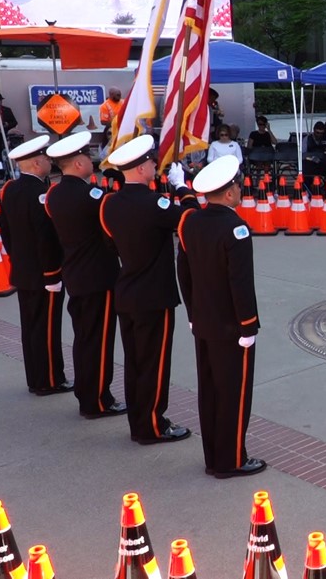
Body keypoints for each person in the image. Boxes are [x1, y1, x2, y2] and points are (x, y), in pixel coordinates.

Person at [100, 136, 196, 445]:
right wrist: (182, 188)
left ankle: (138, 421)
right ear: (142, 169)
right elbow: (191, 220)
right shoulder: (156, 204)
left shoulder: (109, 204)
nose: (156, 165)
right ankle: (153, 424)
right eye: (152, 162)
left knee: (135, 362)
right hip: (154, 296)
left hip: (126, 291)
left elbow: (110, 244)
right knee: (154, 363)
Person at [177, 156, 266, 479]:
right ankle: (231, 460)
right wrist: (248, 324)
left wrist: (191, 313)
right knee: (234, 393)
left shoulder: (189, 222)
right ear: (228, 193)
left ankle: (213, 456)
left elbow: (183, 273)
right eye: (237, 186)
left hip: (203, 322)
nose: (240, 190)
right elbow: (240, 282)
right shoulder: (236, 228)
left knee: (211, 391)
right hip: (231, 327)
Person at [43, 131, 126, 419]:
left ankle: (86, 393)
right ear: (77, 163)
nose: (91, 161)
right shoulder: (91, 195)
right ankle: (98, 400)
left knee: (84, 338)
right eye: (87, 157)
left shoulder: (54, 194)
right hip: (99, 276)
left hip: (75, 273)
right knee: (99, 341)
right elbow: (112, 223)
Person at [0, 135, 72, 396]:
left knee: (30, 327)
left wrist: (17, 259)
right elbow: (47, 238)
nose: (48, 162)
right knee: (47, 329)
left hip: (22, 271)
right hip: (44, 273)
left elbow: (5, 232)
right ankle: (50, 379)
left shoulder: (9, 189)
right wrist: (53, 273)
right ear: (34, 163)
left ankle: (35, 377)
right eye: (44, 158)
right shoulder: (41, 194)